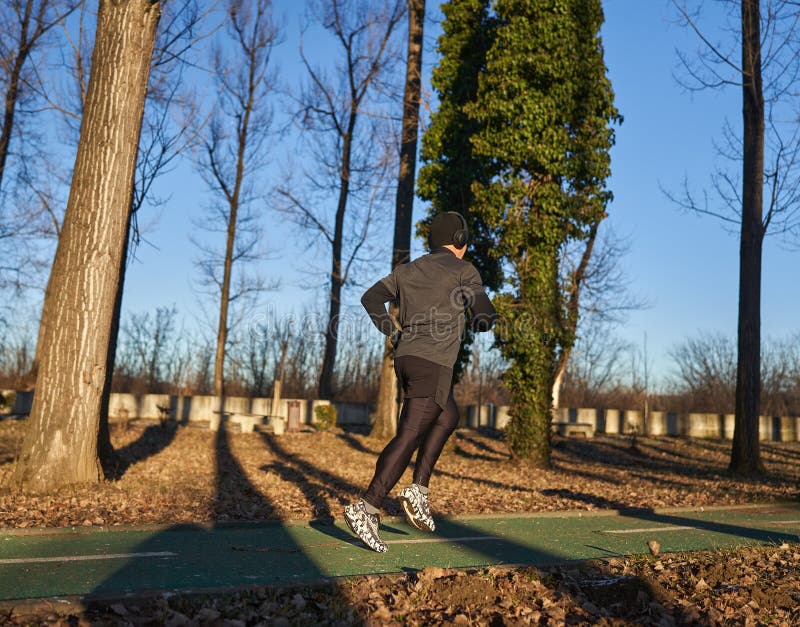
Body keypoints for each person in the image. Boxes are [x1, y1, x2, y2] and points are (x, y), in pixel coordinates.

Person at [343, 211, 497, 553]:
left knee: (447, 416)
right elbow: (483, 316)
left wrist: (390, 330)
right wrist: (484, 316)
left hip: (406, 359)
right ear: (459, 240)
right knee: (410, 434)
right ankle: (367, 506)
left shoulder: (408, 270)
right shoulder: (463, 270)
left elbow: (370, 298)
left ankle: (418, 489)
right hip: (434, 363)